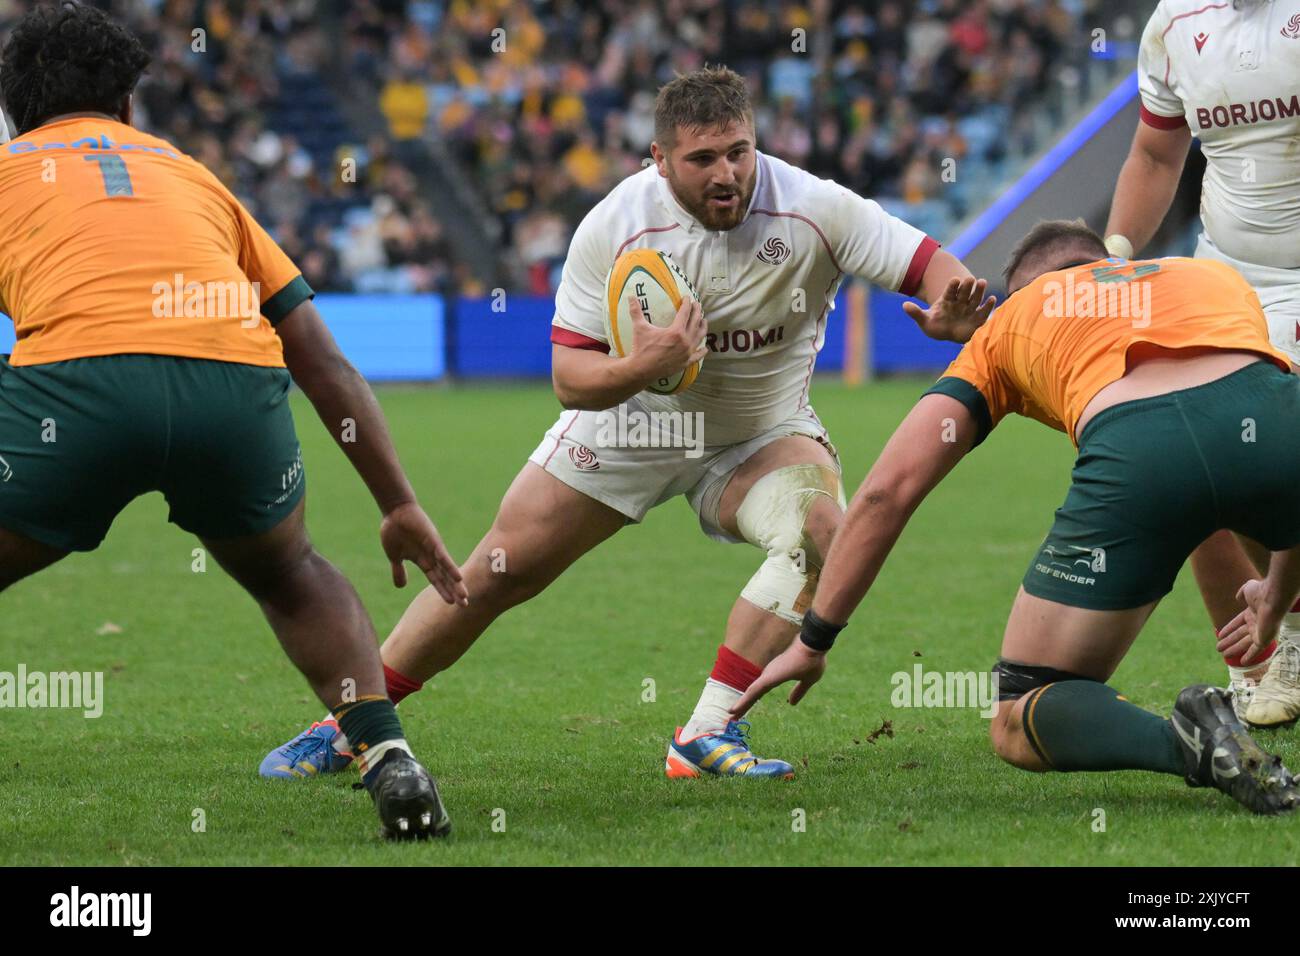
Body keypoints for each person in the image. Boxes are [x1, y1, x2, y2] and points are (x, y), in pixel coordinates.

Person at [260, 65, 994, 780]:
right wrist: (648, 365)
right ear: (661, 159)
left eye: (739, 152)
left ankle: (706, 734)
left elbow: (929, 263)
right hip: (631, 425)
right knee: (493, 574)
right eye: (703, 158)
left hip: (759, 433)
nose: (728, 174)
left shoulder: (814, 207)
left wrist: (950, 308)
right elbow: (570, 379)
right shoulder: (615, 223)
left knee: (822, 532)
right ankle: (354, 726)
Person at [0, 2, 467, 839]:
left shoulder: (9, 172)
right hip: (234, 385)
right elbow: (321, 360)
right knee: (290, 574)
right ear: (130, 106)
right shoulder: (191, 174)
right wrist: (397, 503)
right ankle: (387, 754)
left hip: (77, 394)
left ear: (14, 109)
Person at [734, 220, 1300, 815]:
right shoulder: (1209, 275)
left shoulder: (1012, 321)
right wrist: (1276, 594)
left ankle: (1188, 741)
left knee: (1021, 710)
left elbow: (887, 492)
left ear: (1025, 291)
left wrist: (816, 635)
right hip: (1274, 422)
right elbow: (1255, 436)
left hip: (1140, 457)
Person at [1104, 0, 1300, 725]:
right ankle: (1257, 658)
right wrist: (1113, 259)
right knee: (1197, 461)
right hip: (1224, 279)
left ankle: (1287, 625)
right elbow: (1155, 155)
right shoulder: (1174, 22)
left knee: (1275, 459)